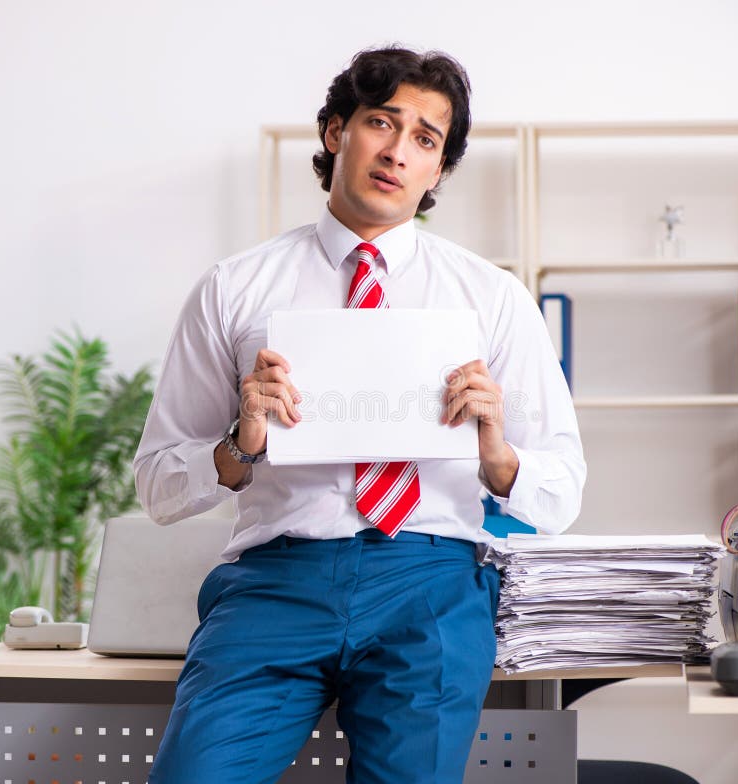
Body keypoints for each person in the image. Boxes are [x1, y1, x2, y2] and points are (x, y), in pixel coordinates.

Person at [134, 45, 586, 784]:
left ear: (438, 170)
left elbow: (562, 490)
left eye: (425, 140)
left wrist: (498, 455)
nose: (398, 151)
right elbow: (157, 485)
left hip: (431, 582)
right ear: (336, 131)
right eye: (382, 122)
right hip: (277, 580)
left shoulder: (491, 299)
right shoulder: (235, 288)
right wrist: (241, 446)